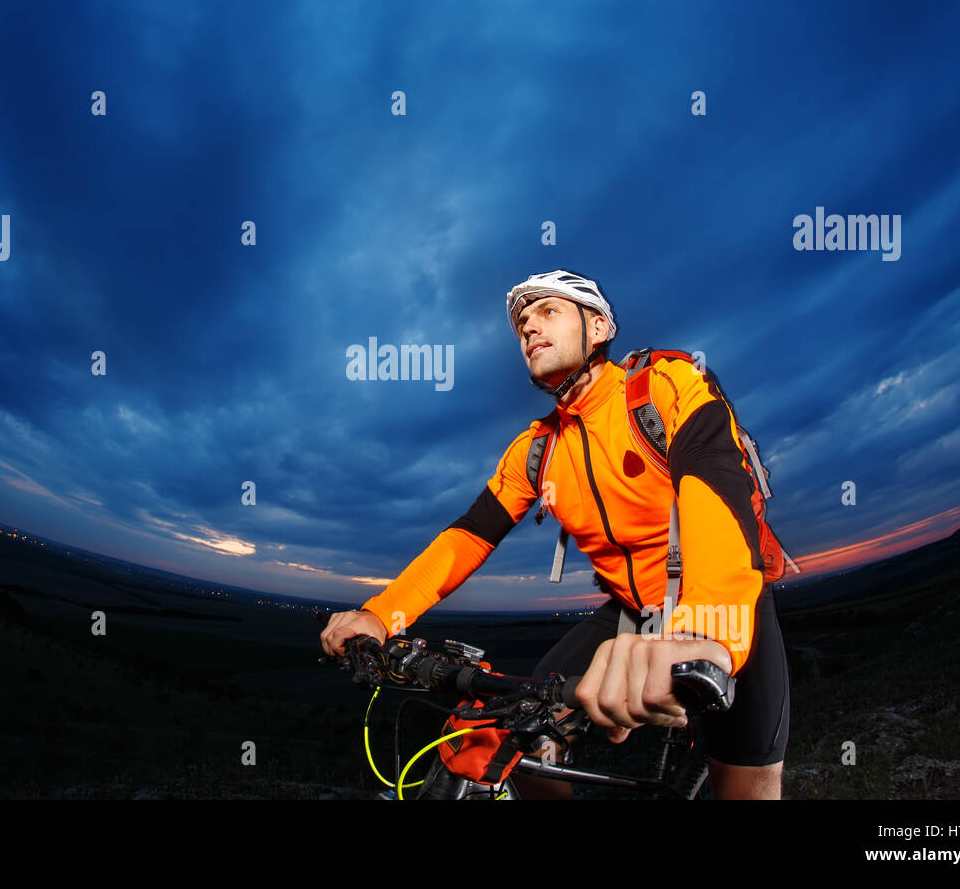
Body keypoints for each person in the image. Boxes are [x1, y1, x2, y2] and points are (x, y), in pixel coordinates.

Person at [319, 269, 790, 799]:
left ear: (598, 327)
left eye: (549, 312)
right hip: (628, 612)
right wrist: (381, 613)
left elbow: (714, 484)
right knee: (505, 741)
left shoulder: (661, 387)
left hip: (722, 601)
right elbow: (469, 535)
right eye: (522, 323)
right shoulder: (538, 449)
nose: (529, 329)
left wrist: (703, 629)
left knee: (747, 782)